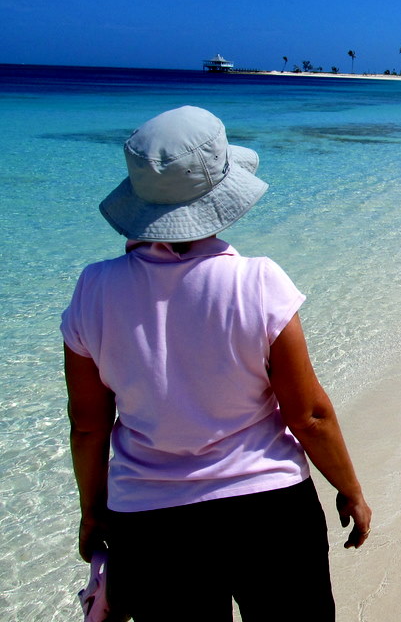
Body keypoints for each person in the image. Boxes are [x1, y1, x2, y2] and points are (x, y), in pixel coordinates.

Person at [62, 105, 371, 621]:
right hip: (267, 510)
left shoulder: (94, 289)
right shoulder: (258, 282)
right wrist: (350, 489)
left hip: (150, 519)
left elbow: (88, 425)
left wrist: (92, 511)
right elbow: (309, 416)